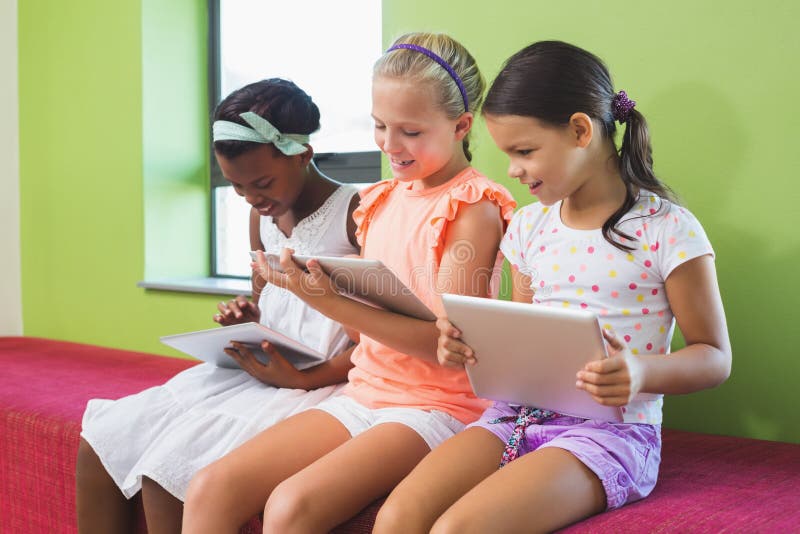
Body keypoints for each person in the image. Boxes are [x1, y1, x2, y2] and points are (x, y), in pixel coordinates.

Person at [373, 40, 733, 534]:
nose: (514, 170)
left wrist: (640, 371)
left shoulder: (666, 228)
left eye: (524, 152)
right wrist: (469, 346)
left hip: (612, 433)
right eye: (507, 154)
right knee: (396, 517)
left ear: (580, 130)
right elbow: (526, 335)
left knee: (458, 529)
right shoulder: (527, 226)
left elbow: (714, 356)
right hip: (514, 416)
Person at [180, 32, 516, 534]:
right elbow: (369, 335)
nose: (389, 144)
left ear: (461, 125)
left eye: (410, 131)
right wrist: (293, 290)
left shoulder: (472, 207)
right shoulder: (381, 201)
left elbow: (449, 348)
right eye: (380, 125)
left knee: (291, 505)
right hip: (364, 391)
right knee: (210, 485)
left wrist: (327, 301)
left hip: (440, 404)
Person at [76, 78, 361, 534]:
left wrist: (303, 377)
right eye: (236, 187)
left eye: (262, 183)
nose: (252, 198)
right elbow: (266, 297)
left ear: (302, 155)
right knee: (100, 441)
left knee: (167, 472)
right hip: (269, 367)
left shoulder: (355, 214)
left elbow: (374, 341)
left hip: (324, 380)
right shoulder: (261, 218)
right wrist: (248, 318)